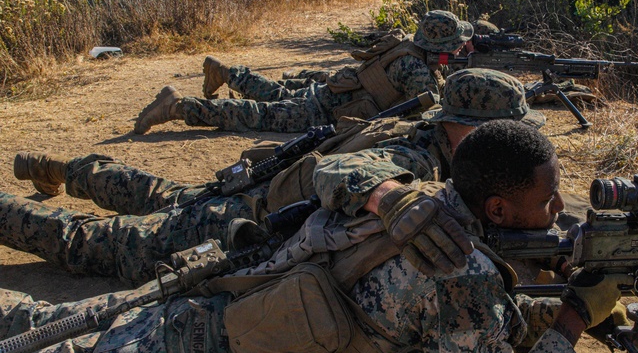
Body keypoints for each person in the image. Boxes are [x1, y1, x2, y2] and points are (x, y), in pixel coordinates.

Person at [0, 120, 623, 353]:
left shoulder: (421, 203)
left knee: (26, 320)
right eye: (549, 199)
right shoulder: (463, 277)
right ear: (496, 209)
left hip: (196, 305)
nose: (558, 208)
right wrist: (572, 320)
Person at [4, 69, 544, 285]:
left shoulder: (439, 143)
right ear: (463, 125)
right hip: (242, 220)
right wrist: (391, 199)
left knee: (155, 193)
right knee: (97, 245)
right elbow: (341, 169)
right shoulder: (418, 154)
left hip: (255, 195)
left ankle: (59, 169)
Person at [133, 9, 473, 135]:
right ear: (439, 45)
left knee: (277, 96)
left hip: (331, 94)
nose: (460, 49)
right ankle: (177, 107)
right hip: (324, 110)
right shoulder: (417, 72)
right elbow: (430, 118)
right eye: (457, 44)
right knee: (255, 116)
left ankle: (226, 72)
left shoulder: (409, 48)